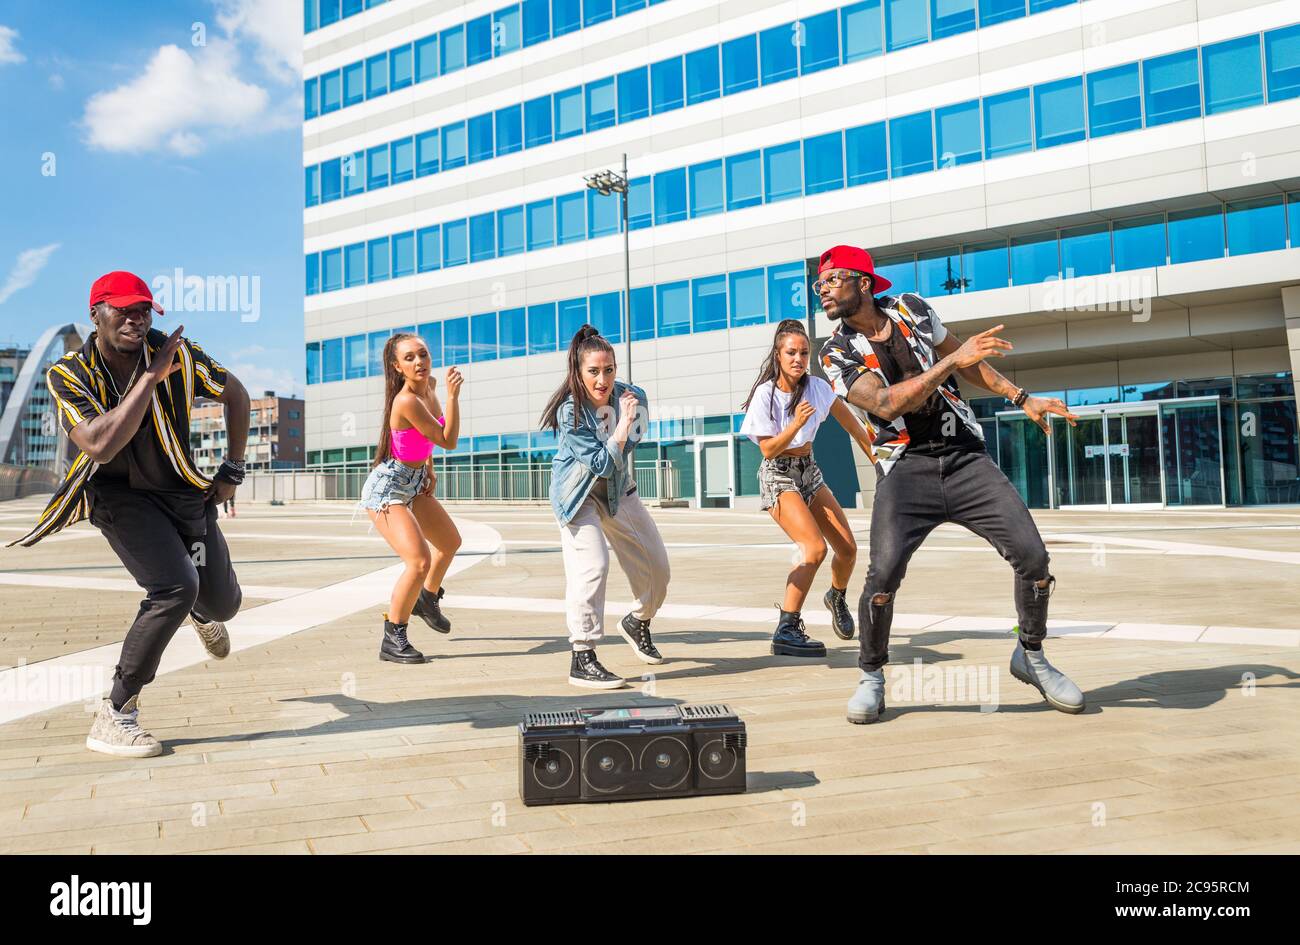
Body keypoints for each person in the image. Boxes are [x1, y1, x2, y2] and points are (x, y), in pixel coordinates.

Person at [814, 245, 1086, 723]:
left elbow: (969, 361)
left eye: (833, 279)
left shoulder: (913, 309)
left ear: (863, 281)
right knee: (883, 574)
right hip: (904, 468)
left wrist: (1020, 396)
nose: (823, 290)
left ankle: (1032, 655)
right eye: (819, 284)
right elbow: (883, 404)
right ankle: (872, 675)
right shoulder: (834, 351)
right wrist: (951, 361)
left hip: (965, 459)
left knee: (1033, 558)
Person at [8, 271, 249, 757]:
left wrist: (233, 467)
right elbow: (99, 444)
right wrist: (150, 379)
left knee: (223, 604)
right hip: (118, 496)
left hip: (182, 493)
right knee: (173, 586)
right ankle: (116, 713)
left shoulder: (178, 353)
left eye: (144, 310)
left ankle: (200, 609)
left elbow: (237, 394)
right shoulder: (68, 374)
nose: (136, 320)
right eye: (124, 309)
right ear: (95, 313)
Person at [541, 326, 670, 689]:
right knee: (593, 566)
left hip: (618, 492)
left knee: (658, 568)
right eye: (593, 372)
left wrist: (626, 425)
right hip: (577, 496)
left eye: (609, 370)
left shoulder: (634, 397)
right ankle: (582, 655)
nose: (603, 380)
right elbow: (600, 463)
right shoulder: (571, 412)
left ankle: (637, 620)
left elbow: (623, 455)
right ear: (578, 373)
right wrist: (623, 426)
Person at [740, 318, 874, 657]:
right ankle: (786, 629)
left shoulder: (818, 388)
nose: (798, 359)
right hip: (778, 474)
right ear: (778, 355)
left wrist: (879, 462)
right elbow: (768, 449)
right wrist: (797, 422)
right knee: (814, 549)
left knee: (848, 549)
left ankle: (836, 596)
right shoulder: (766, 395)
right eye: (791, 353)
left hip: (808, 472)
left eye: (803, 353)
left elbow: (854, 426)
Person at [358, 333, 463, 664]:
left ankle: (427, 599)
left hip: (415, 481)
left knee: (449, 542)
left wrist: (428, 469)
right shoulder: (406, 401)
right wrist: (454, 397)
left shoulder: (429, 384)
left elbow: (426, 440)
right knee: (418, 562)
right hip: (388, 489)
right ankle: (394, 636)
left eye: (423, 354)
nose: (419, 362)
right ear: (397, 366)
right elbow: (448, 439)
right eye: (409, 358)